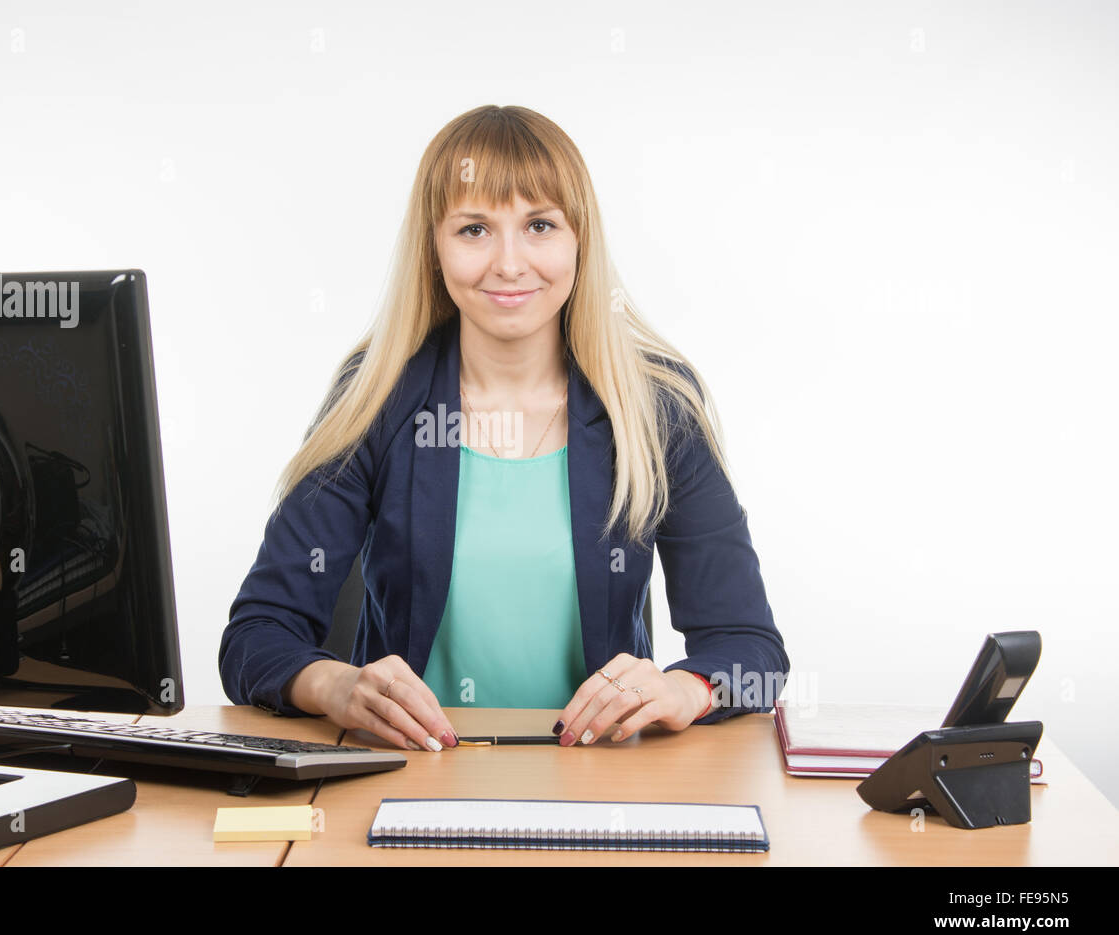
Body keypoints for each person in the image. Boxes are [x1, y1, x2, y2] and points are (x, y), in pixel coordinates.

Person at [219, 104, 788, 752]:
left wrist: (686, 691)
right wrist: (336, 687)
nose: (510, 264)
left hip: (601, 784)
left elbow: (752, 652)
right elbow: (256, 637)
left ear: (581, 240)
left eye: (540, 225)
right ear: (434, 247)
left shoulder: (655, 405)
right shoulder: (378, 394)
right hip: (413, 780)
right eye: (474, 230)